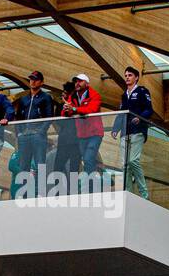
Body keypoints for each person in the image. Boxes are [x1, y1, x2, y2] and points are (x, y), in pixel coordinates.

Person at [111, 65, 154, 200]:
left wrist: (139, 118)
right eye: (126, 76)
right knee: (125, 165)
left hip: (138, 131)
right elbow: (121, 113)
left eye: (129, 75)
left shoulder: (142, 91)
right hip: (125, 132)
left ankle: (144, 192)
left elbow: (149, 109)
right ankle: (128, 193)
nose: (127, 78)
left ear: (136, 77)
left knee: (133, 161)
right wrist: (115, 128)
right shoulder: (124, 95)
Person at [11, 70, 56, 198]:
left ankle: (41, 192)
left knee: (40, 163)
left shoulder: (46, 97)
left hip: (38, 136)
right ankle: (24, 192)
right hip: (24, 136)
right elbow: (18, 118)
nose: (32, 81)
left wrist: (41, 132)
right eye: (31, 79)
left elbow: (49, 116)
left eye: (35, 79)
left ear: (41, 82)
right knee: (24, 165)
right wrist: (19, 133)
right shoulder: (24, 99)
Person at [65, 73, 103, 187]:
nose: (77, 83)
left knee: (88, 158)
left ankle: (91, 185)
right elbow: (66, 113)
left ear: (87, 83)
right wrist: (66, 110)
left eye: (80, 81)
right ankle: (94, 181)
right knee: (87, 160)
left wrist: (74, 108)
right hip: (82, 135)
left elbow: (92, 109)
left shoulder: (95, 95)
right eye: (76, 81)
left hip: (95, 133)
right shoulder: (73, 96)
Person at [50, 80, 81, 182]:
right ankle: (59, 193)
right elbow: (58, 121)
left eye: (66, 92)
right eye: (63, 91)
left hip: (76, 141)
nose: (63, 94)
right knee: (58, 168)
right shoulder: (61, 106)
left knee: (74, 169)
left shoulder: (78, 104)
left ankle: (72, 194)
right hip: (64, 140)